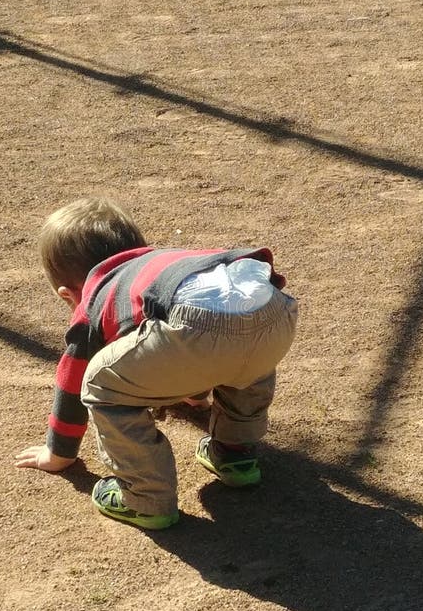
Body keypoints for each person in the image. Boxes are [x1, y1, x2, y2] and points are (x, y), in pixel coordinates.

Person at [15, 196, 297, 530]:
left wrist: (58, 453)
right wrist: (194, 392)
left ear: (67, 294)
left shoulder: (96, 295)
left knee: (98, 381)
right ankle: (235, 454)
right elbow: (212, 333)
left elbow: (71, 383)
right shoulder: (163, 265)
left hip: (198, 325)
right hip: (272, 307)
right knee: (248, 355)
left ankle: (146, 499)